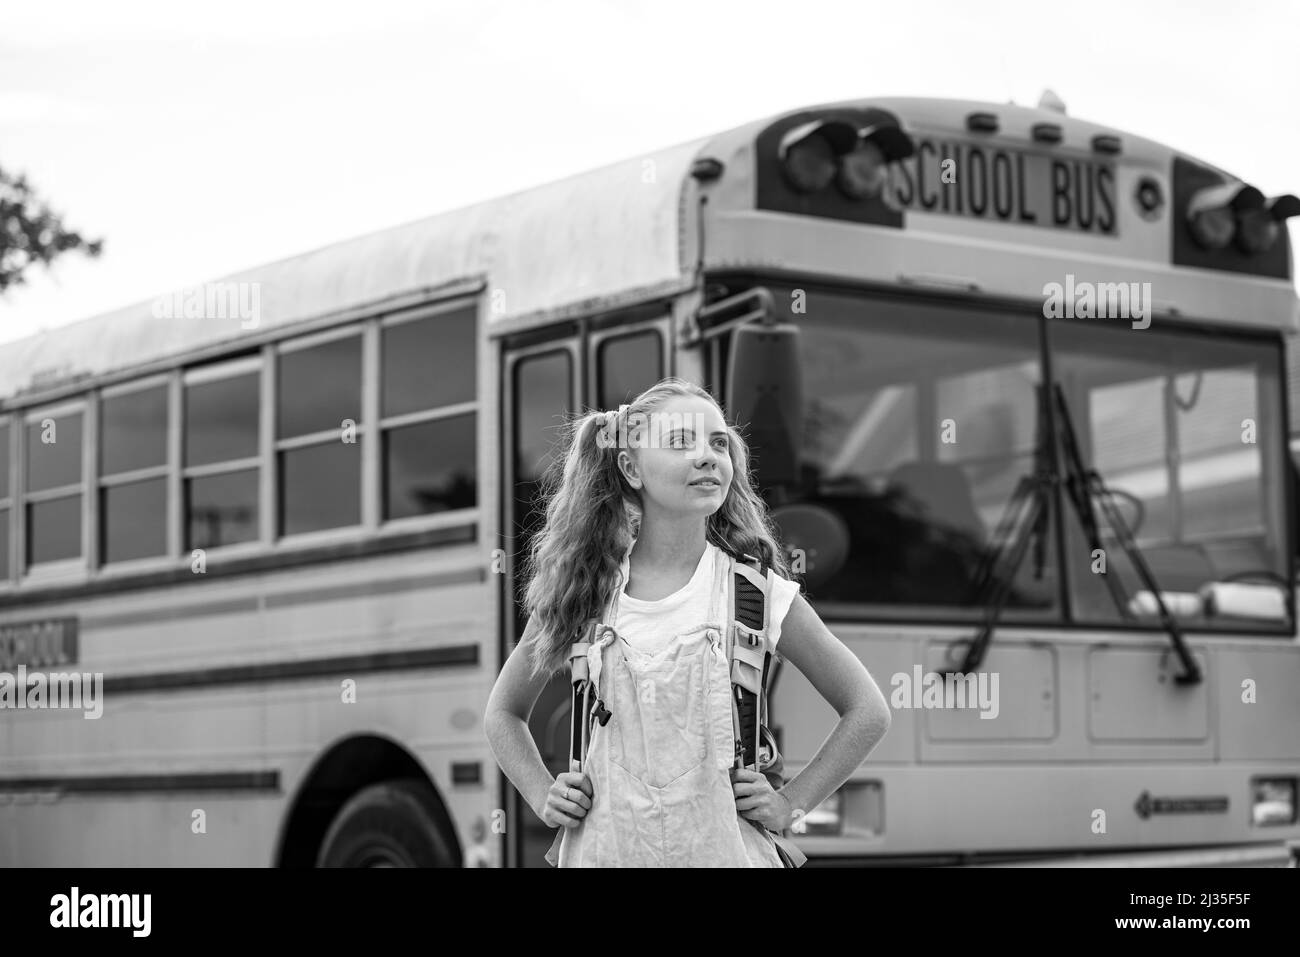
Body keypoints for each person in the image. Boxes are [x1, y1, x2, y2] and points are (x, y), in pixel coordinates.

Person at [484, 377, 892, 867]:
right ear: (631, 468)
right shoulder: (584, 593)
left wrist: (790, 804)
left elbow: (868, 710)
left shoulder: (757, 595)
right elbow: (503, 714)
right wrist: (542, 793)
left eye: (718, 443)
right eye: (681, 442)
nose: (707, 456)